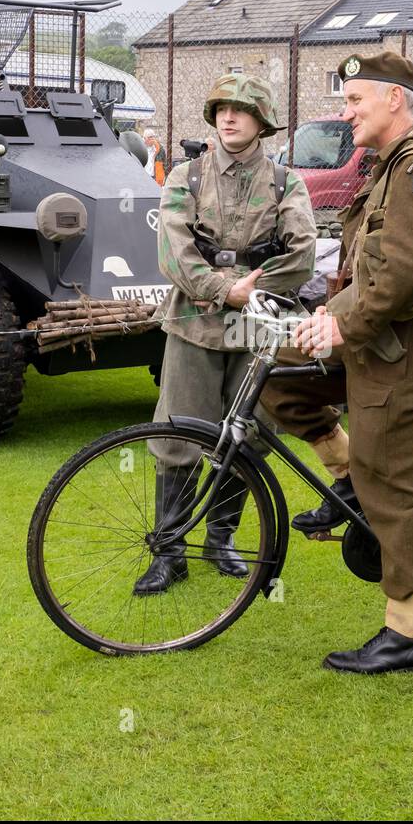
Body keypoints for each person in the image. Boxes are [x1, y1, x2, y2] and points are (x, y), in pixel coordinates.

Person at [264, 51, 413, 674]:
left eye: (355, 101)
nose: (345, 112)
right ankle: (345, 475)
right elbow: (371, 263)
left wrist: (342, 321)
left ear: (393, 101)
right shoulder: (390, 167)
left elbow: (411, 270)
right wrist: (329, 317)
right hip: (375, 332)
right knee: (277, 371)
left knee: (396, 480)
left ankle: (407, 636)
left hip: (407, 348)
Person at [137, 73, 316, 594]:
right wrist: (221, 288)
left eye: (241, 109)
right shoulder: (187, 176)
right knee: (177, 436)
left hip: (256, 327)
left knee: (252, 436)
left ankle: (221, 538)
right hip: (194, 324)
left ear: (262, 121)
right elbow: (173, 250)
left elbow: (301, 253)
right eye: (221, 108)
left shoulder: (286, 182)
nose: (229, 117)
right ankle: (169, 551)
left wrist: (247, 290)